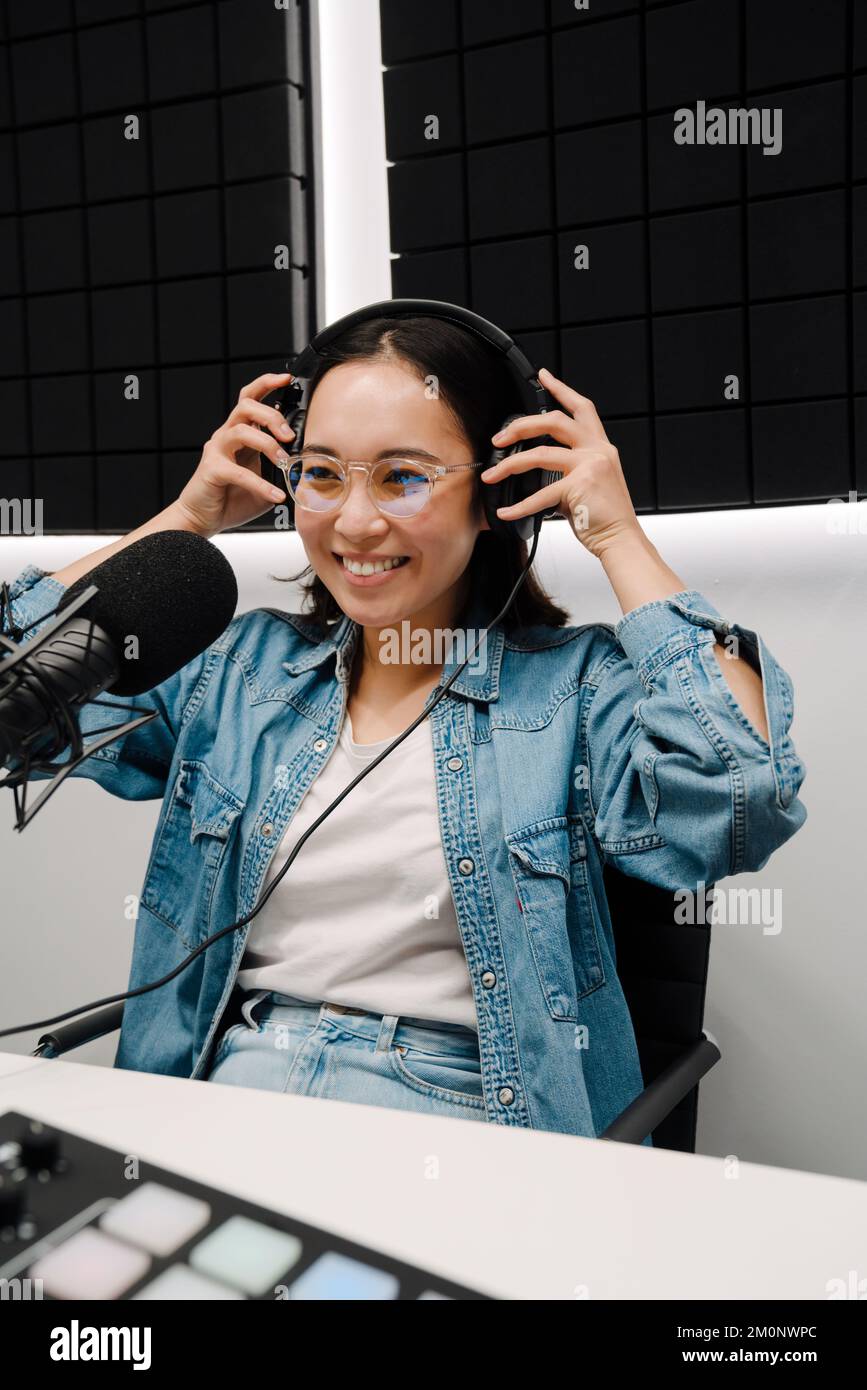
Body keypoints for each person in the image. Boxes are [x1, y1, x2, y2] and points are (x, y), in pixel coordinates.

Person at [2, 313, 807, 1140]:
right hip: (224, 1097)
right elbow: (15, 697)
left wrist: (616, 535)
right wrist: (185, 519)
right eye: (321, 474)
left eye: (401, 478)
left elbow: (736, 797)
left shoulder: (573, 689)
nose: (353, 522)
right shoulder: (235, 671)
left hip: (461, 1121)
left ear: (494, 491)